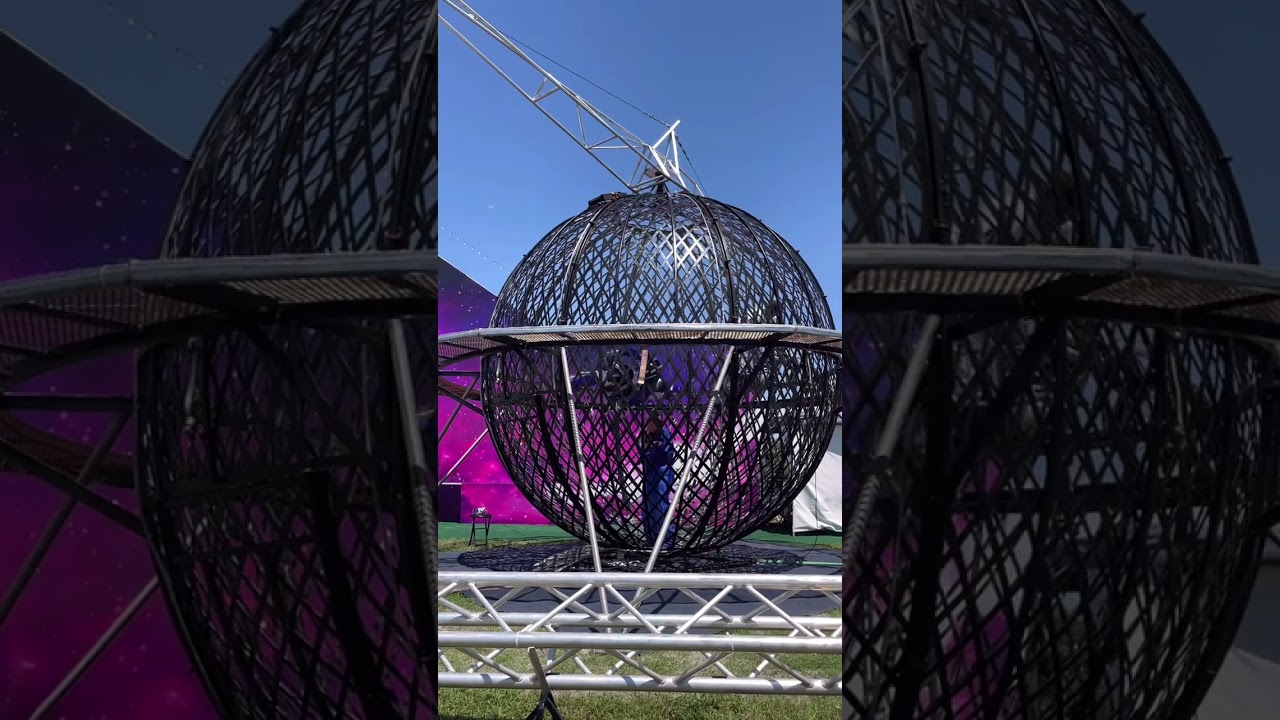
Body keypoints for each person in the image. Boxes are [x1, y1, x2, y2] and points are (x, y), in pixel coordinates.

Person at [640, 410, 676, 549]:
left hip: (661, 473)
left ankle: (666, 540)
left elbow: (665, 455)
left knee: (659, 506)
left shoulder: (663, 435)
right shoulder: (647, 436)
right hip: (650, 473)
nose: (648, 425)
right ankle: (651, 539)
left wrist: (651, 450)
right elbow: (642, 454)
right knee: (648, 506)